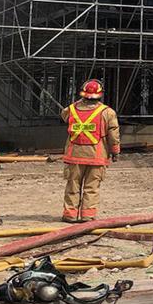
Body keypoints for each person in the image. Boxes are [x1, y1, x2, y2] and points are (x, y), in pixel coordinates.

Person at [60, 79, 121, 223]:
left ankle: (70, 215)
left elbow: (64, 117)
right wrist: (115, 151)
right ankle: (87, 216)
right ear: (100, 94)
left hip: (74, 155)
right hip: (96, 156)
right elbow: (113, 134)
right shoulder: (108, 112)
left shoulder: (71, 109)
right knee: (91, 188)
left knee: (72, 186)